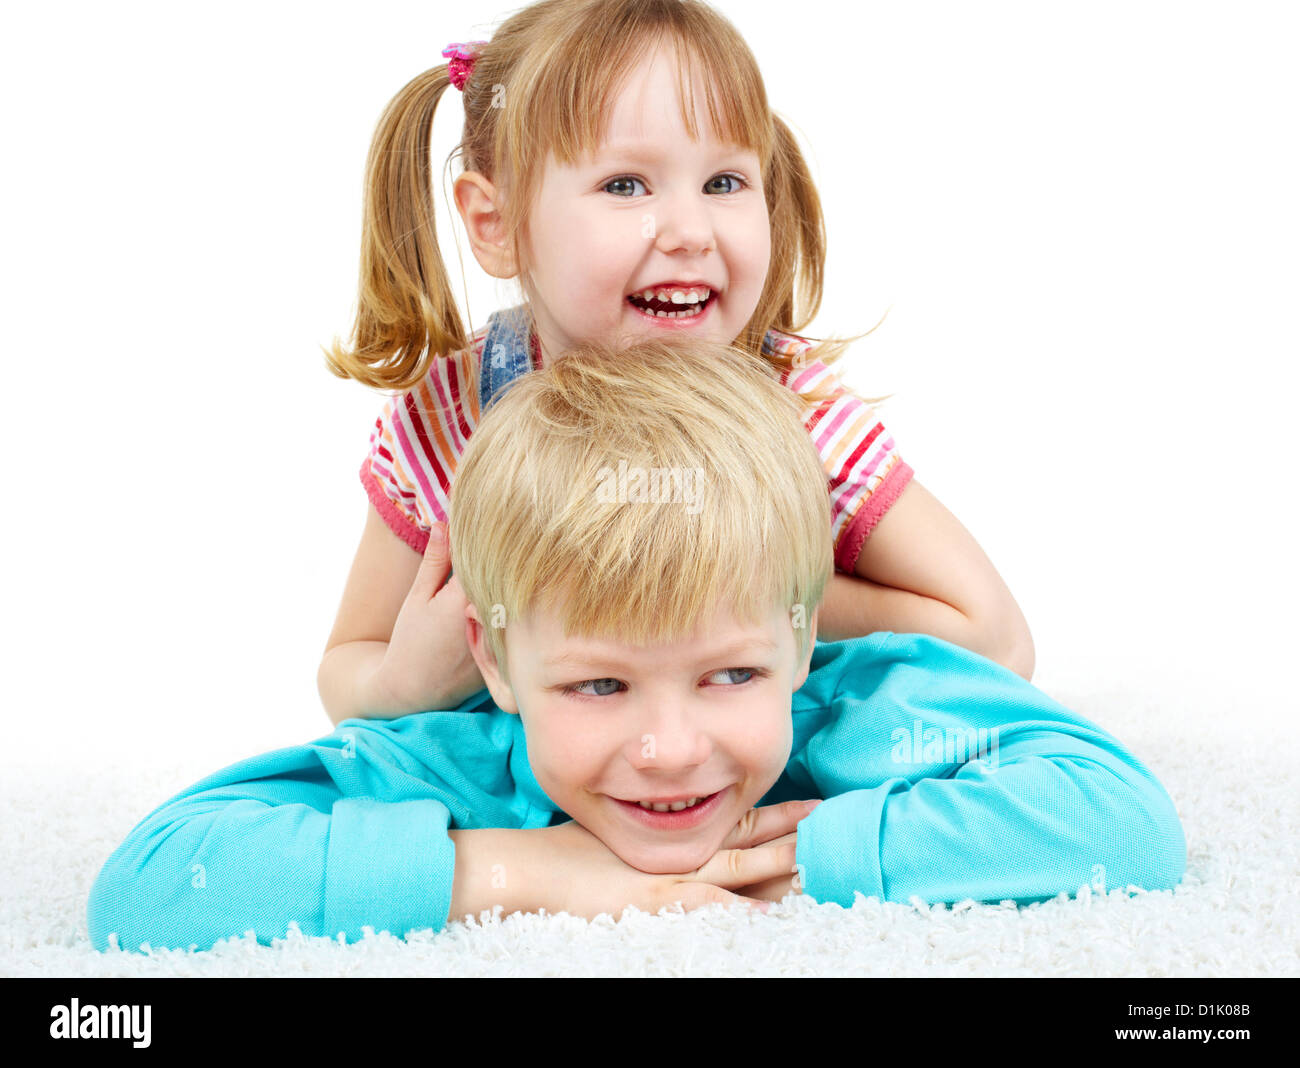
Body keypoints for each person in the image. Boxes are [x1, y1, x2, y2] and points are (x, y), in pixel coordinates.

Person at [88, 339, 1184, 954]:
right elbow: (145, 890)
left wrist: (804, 859)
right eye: (600, 683)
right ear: (498, 663)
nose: (670, 747)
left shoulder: (863, 708)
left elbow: (1122, 821)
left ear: (801, 640)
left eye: (731, 674)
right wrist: (526, 869)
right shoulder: (463, 760)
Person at [316, 0, 1036, 729]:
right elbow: (347, 666)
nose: (690, 231)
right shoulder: (453, 417)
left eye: (724, 183)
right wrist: (404, 684)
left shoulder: (796, 410)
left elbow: (996, 640)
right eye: (625, 186)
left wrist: (753, 593)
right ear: (496, 224)